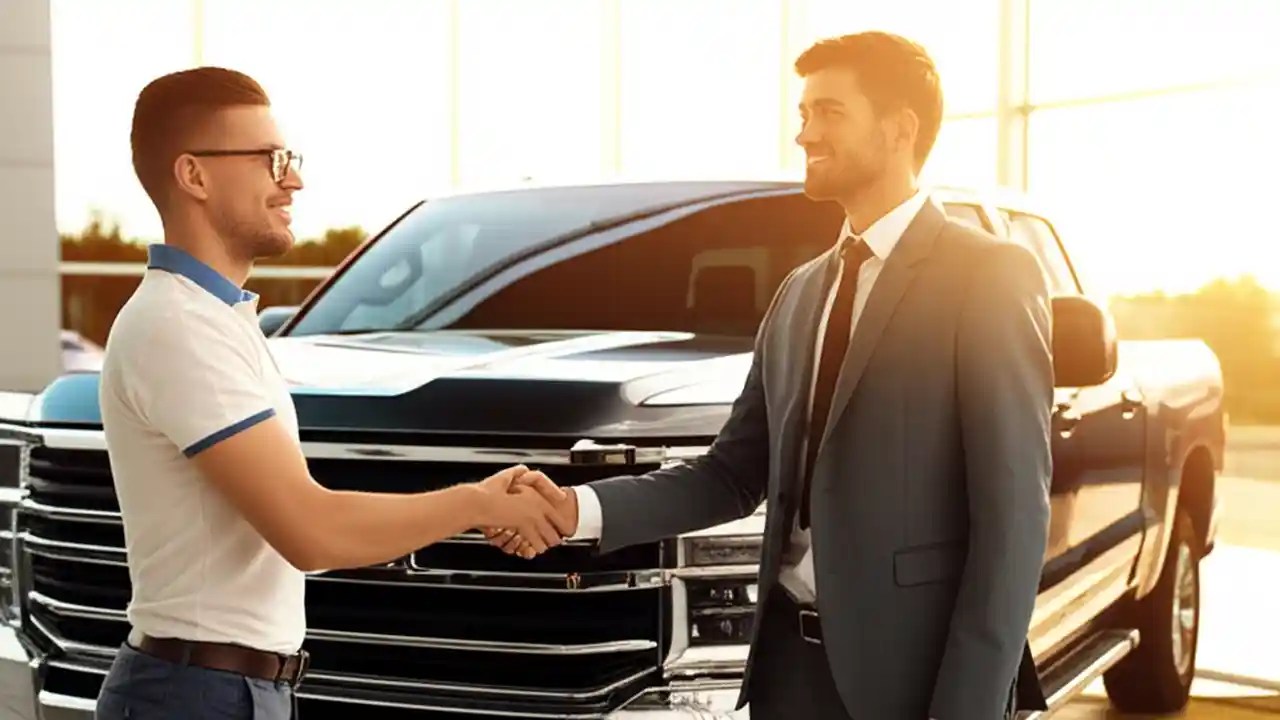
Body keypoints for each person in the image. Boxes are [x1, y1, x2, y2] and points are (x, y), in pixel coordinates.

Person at [491, 32, 1053, 720]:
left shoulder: (988, 276)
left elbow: (1013, 522)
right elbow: (731, 473)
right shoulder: (800, 293)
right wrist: (576, 509)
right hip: (787, 671)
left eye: (828, 113)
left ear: (900, 129)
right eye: (803, 114)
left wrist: (967, 708)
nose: (805, 134)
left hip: (917, 678)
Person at [96, 67, 569, 720]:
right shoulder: (178, 327)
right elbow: (309, 530)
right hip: (198, 696)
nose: (293, 179)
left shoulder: (215, 319)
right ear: (193, 175)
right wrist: (476, 502)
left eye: (289, 159)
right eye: (270, 159)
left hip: (230, 690)